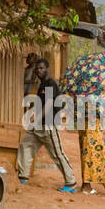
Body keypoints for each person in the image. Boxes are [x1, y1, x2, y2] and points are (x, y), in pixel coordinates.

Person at [17, 58, 78, 192]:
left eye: (41, 68)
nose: (39, 71)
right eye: (37, 69)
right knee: (25, 145)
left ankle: (71, 182)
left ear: (47, 69)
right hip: (39, 127)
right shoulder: (42, 85)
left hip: (49, 126)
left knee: (57, 154)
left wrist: (36, 117)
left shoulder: (50, 84)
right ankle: (23, 176)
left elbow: (49, 104)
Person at [77, 97, 105, 195]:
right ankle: (87, 185)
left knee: (86, 151)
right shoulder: (98, 94)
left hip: (83, 121)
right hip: (92, 123)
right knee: (93, 152)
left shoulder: (81, 91)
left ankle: (89, 183)